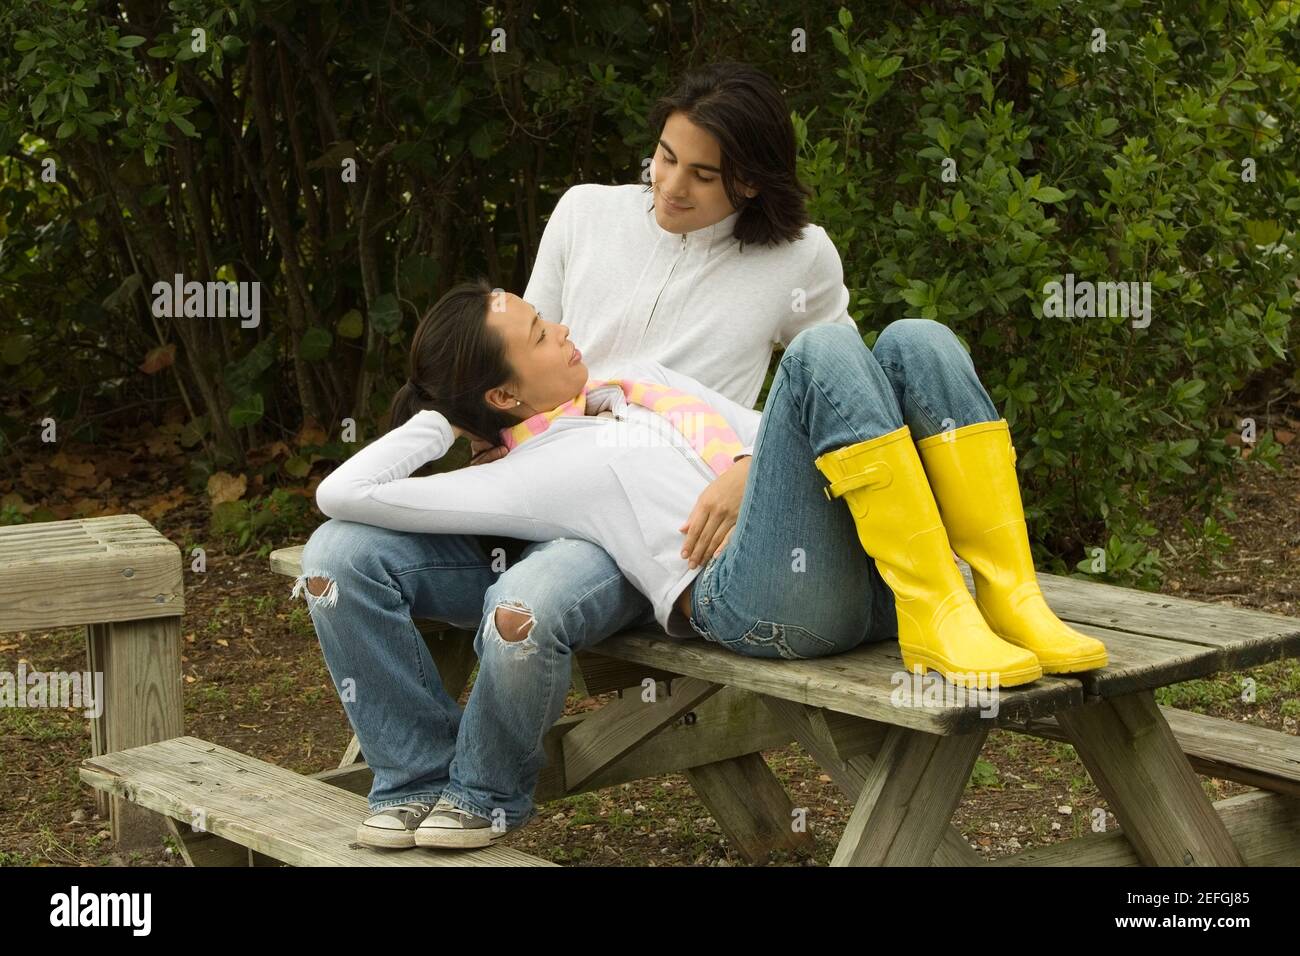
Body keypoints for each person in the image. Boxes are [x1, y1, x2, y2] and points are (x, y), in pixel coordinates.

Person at [311, 282, 1109, 852]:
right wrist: (437, 424)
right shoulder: (527, 472)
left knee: (916, 340)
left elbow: (784, 425)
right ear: (505, 394)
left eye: (546, 315)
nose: (562, 329)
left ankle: (1007, 597)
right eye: (539, 334)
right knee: (824, 346)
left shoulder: (642, 384)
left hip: (869, 574)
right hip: (753, 601)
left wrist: (744, 470)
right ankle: (942, 613)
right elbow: (346, 493)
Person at [293, 61, 865, 850]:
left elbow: (839, 403)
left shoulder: (799, 258)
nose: (672, 188)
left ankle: (484, 796)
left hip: (650, 532)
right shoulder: (585, 213)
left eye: (705, 175)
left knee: (523, 604)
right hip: (532, 483)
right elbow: (519, 348)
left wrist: (751, 471)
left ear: (755, 181)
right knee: (334, 560)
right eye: (666, 157)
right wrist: (467, 434)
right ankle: (413, 777)